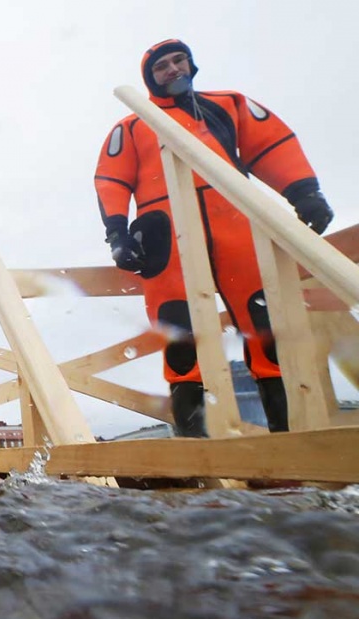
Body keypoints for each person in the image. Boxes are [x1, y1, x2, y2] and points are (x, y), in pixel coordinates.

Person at [94, 39, 334, 437]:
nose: (172, 70)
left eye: (178, 61)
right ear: (149, 79)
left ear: (191, 64)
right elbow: (111, 179)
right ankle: (195, 445)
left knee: (265, 326)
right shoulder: (134, 125)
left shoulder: (227, 105)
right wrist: (118, 233)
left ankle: (286, 441)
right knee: (180, 334)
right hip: (166, 239)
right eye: (161, 67)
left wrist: (304, 193)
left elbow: (272, 145)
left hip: (238, 228)